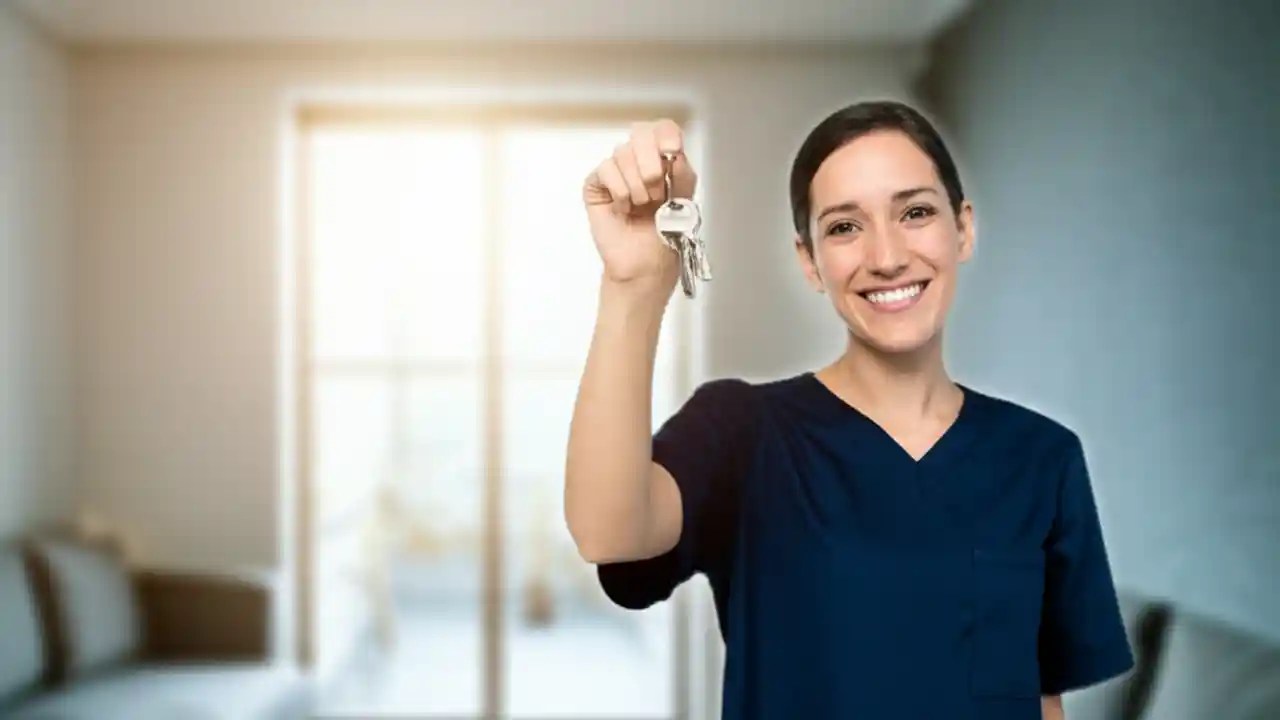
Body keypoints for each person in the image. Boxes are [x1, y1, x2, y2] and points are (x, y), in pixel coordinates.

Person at [564, 100, 1133, 720]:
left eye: (915, 212)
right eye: (844, 227)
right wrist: (634, 288)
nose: (887, 255)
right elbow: (609, 531)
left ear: (962, 228)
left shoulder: (1040, 457)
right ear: (810, 261)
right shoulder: (744, 434)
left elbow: (1040, 698)